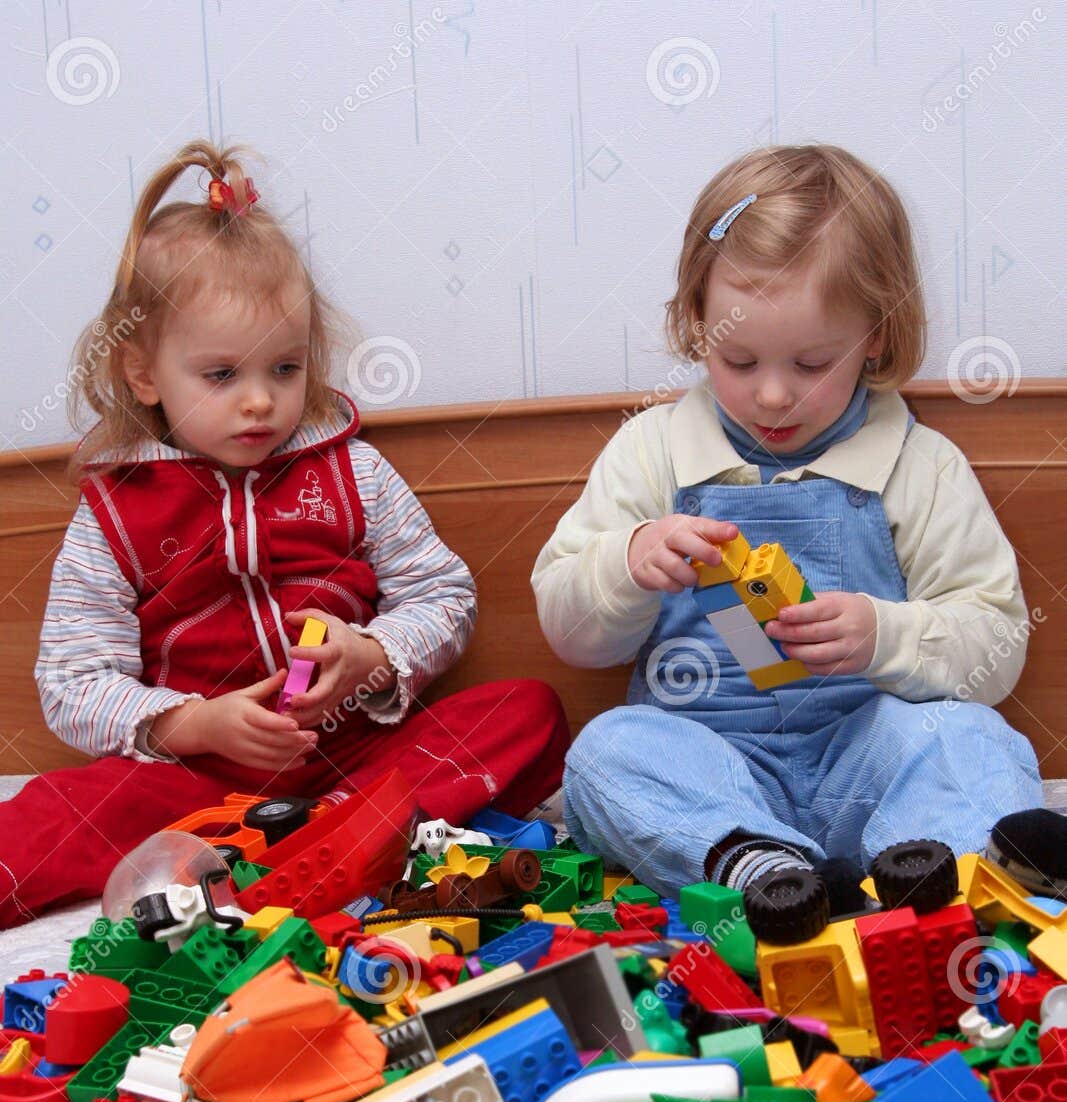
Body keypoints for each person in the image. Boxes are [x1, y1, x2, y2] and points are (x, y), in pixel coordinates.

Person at [1, 141, 568, 928]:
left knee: (527, 711)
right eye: (222, 375)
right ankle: (318, 842)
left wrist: (371, 656)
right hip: (197, 783)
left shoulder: (354, 473)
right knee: (49, 811)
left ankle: (327, 832)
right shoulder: (114, 510)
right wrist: (191, 722)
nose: (261, 403)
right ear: (143, 375)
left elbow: (443, 593)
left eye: (285, 369)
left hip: (357, 756)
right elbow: (71, 682)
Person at [533, 144, 1054, 907]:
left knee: (972, 742)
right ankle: (770, 874)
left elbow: (993, 643)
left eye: (810, 363)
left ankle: (928, 883)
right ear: (695, 324)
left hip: (863, 763)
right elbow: (572, 633)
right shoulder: (652, 453)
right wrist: (626, 562)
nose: (772, 396)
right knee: (606, 754)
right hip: (713, 767)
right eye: (738, 360)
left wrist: (884, 634)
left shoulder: (918, 463)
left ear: (875, 334)